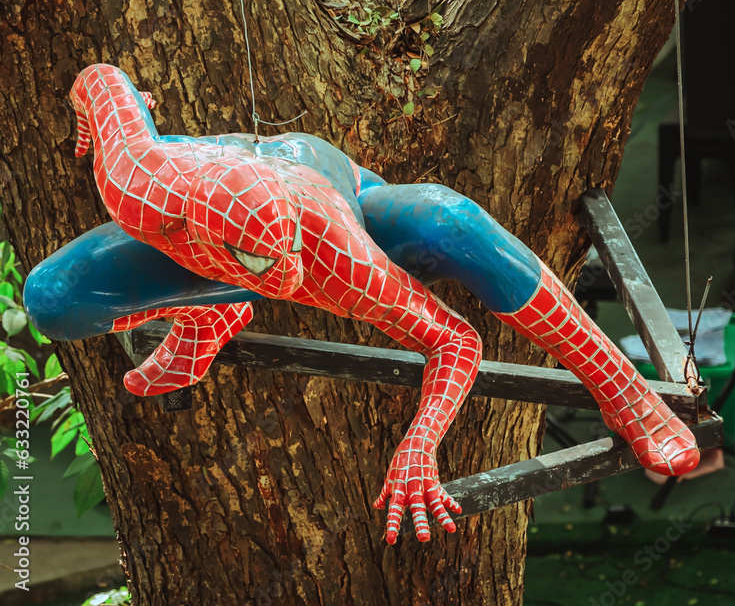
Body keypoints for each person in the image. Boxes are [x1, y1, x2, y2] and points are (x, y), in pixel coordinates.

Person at [25, 64, 699, 543]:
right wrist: (106, 112)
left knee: (450, 220)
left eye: (286, 259)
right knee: (50, 299)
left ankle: (622, 387)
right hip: (204, 211)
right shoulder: (139, 182)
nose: (287, 279)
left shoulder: (334, 256)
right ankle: (211, 309)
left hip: (338, 195)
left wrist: (419, 445)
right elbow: (99, 78)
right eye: (267, 267)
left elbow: (453, 339)